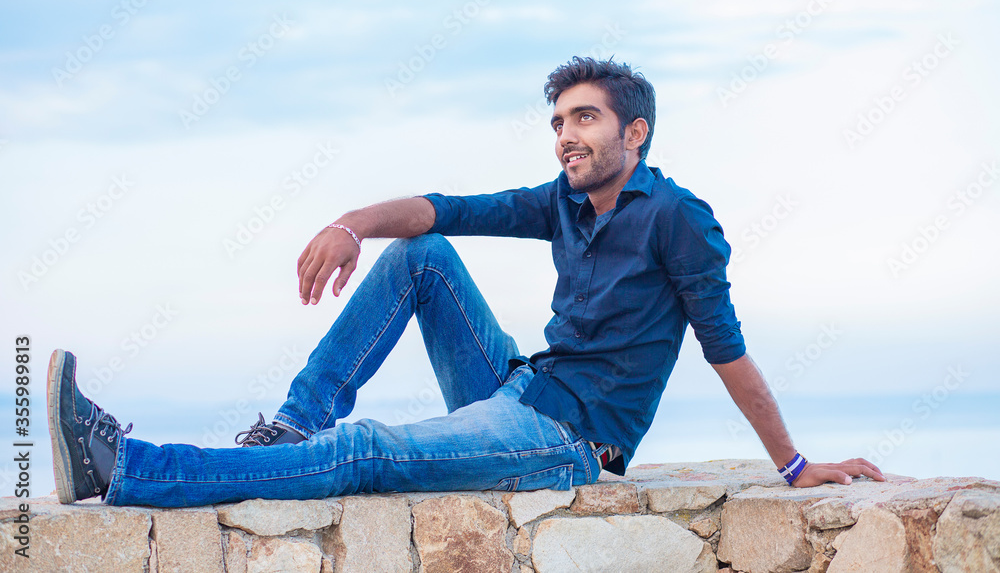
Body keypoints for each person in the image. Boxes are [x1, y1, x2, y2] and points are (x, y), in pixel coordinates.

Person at [47, 56, 884, 508]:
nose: (566, 135)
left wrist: (795, 462)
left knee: (368, 452)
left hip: (569, 443)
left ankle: (125, 466)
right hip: (524, 386)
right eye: (559, 121)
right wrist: (351, 224)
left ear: (636, 130)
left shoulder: (677, 218)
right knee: (421, 257)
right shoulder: (562, 199)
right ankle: (293, 428)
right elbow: (444, 212)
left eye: (584, 118)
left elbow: (726, 352)